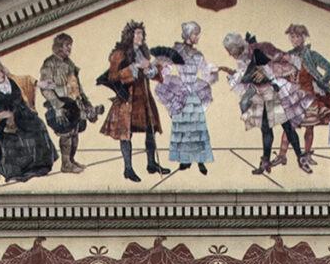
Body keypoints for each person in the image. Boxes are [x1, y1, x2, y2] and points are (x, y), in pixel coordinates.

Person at [219, 31, 313, 174]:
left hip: (273, 92)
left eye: (231, 51)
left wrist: (266, 74)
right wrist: (232, 74)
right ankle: (265, 162)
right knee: (265, 129)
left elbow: (279, 66)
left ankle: (300, 157)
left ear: (238, 47)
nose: (230, 55)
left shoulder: (259, 50)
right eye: (229, 52)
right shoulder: (241, 59)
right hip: (259, 94)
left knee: (287, 127)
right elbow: (245, 75)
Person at [97, 20, 170, 183]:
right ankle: (128, 169)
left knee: (151, 129)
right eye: (137, 33)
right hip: (127, 98)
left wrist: (153, 69)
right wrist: (135, 67)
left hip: (143, 97)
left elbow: (151, 73)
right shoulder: (119, 54)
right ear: (130, 35)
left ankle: (151, 163)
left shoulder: (143, 53)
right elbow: (113, 76)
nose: (141, 36)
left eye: (142, 33)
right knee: (125, 133)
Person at [0, 61, 57, 184]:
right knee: (11, 138)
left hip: (24, 115)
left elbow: (27, 80)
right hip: (1, 122)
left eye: (2, 71)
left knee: (38, 125)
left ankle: (40, 166)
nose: (1, 74)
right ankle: (16, 172)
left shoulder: (12, 80)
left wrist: (40, 84)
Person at [155, 21, 215, 174]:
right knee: (182, 128)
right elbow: (166, 67)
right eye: (196, 34)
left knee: (197, 128)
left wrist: (212, 72)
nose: (198, 37)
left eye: (198, 34)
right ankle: (184, 160)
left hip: (194, 91)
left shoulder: (198, 55)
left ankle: (200, 161)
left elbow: (205, 71)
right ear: (189, 35)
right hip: (181, 92)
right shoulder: (177, 50)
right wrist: (163, 73)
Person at [35, 34, 96, 174]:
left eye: (70, 45)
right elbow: (45, 88)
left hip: (74, 103)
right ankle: (65, 164)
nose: (70, 48)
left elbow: (77, 86)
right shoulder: (49, 63)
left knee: (75, 133)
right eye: (67, 45)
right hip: (60, 105)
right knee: (67, 134)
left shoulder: (70, 63)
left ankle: (71, 160)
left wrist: (86, 103)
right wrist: (57, 106)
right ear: (59, 46)